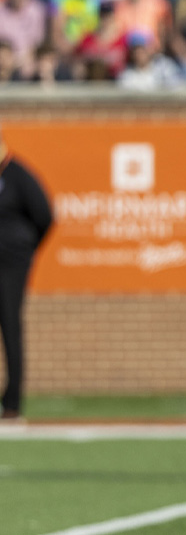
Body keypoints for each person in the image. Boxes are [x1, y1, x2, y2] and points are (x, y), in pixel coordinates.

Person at [0, 124, 53, 420]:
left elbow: (45, 215)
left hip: (11, 265)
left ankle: (12, 403)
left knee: (9, 325)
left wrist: (24, 248)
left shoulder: (17, 174)